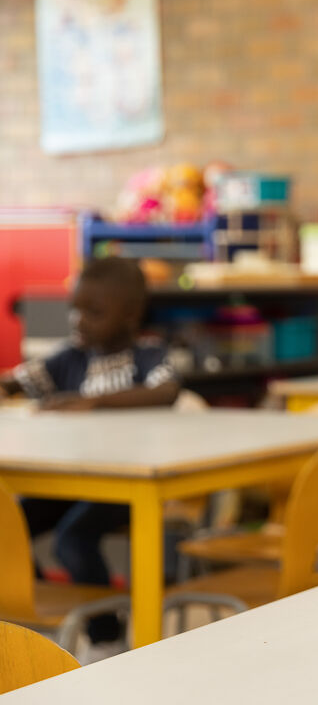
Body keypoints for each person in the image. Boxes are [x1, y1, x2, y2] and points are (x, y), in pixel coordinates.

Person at [0, 256, 180, 658]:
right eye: (75, 309)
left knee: (73, 539)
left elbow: (167, 391)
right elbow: (17, 382)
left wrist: (93, 402)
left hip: (128, 486)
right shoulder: (70, 357)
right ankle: (43, 619)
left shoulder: (147, 356)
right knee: (8, 527)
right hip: (69, 481)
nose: (79, 321)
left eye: (94, 312)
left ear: (131, 315)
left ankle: (106, 637)